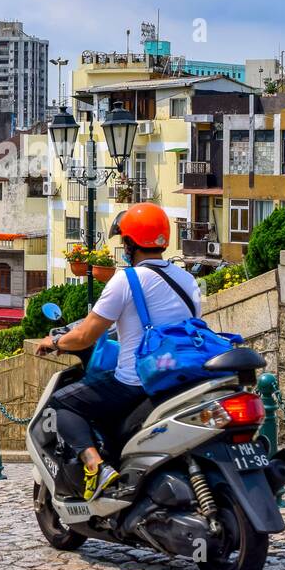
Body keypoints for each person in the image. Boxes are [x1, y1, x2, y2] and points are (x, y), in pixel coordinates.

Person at [34, 202, 200, 501]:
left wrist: (54, 342)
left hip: (136, 382)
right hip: (178, 377)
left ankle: (95, 466)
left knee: (62, 404)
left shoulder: (126, 280)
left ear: (129, 242)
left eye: (124, 240)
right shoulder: (186, 280)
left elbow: (85, 336)